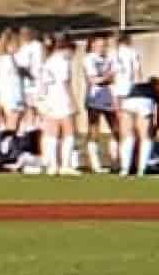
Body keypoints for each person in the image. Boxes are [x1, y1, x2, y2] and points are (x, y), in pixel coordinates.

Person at [40, 33, 79, 176]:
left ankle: (53, 165)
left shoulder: (48, 61)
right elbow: (65, 82)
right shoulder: (63, 61)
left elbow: (43, 84)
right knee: (69, 132)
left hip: (49, 98)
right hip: (62, 97)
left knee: (52, 133)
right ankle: (65, 165)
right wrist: (73, 101)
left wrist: (43, 100)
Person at [82, 34, 117, 173]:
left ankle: (115, 161)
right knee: (94, 130)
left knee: (117, 129)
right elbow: (93, 79)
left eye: (105, 45)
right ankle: (95, 164)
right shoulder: (89, 59)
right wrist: (107, 77)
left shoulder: (109, 58)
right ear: (93, 45)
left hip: (108, 96)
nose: (103, 48)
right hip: (95, 97)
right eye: (100, 45)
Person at [119, 76, 159, 177]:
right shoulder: (156, 92)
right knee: (146, 138)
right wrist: (156, 128)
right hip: (145, 103)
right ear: (157, 85)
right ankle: (141, 170)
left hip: (129, 102)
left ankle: (124, 169)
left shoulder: (136, 86)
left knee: (129, 137)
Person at [111, 32, 141, 170]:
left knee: (122, 128)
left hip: (118, 94)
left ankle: (122, 163)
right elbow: (138, 74)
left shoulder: (113, 53)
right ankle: (129, 162)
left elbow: (112, 76)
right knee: (132, 128)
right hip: (131, 92)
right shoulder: (133, 52)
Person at [15, 26, 45, 130]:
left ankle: (31, 132)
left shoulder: (30, 47)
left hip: (31, 83)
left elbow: (23, 67)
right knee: (32, 110)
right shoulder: (36, 46)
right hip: (34, 83)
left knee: (31, 109)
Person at [0, 30, 26, 135]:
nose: (19, 47)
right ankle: (9, 147)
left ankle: (10, 146)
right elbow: (15, 76)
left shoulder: (3, 58)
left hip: (8, 95)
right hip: (12, 95)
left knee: (14, 121)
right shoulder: (8, 59)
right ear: (9, 45)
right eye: (17, 44)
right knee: (13, 122)